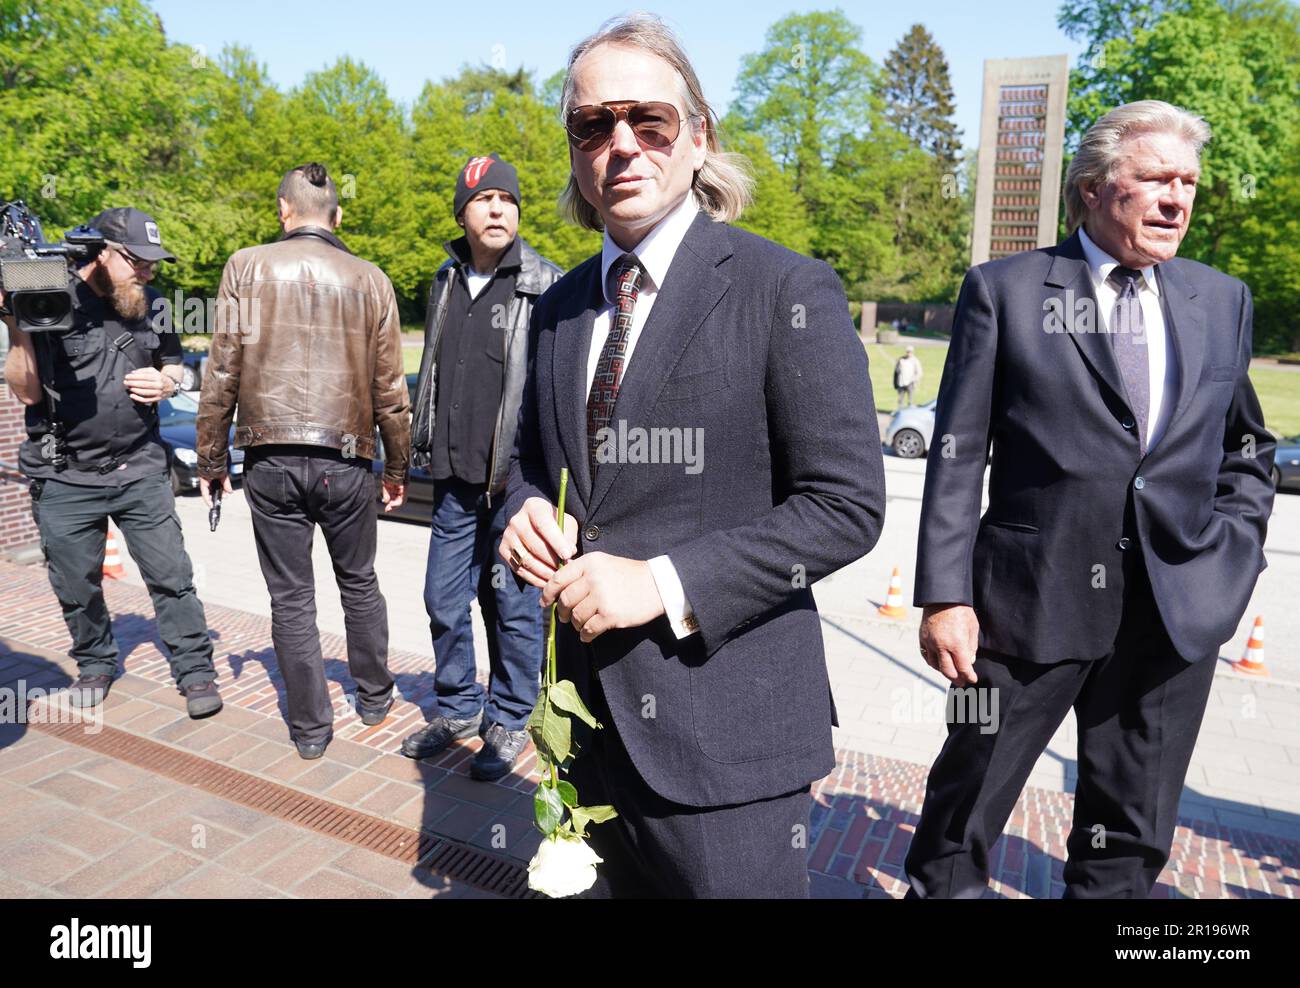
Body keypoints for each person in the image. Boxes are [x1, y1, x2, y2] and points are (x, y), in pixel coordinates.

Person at [498, 14, 885, 897]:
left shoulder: (785, 289)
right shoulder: (556, 307)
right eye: (593, 125)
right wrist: (518, 512)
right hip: (585, 736)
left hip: (728, 749)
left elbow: (847, 505)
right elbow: (527, 462)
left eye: (650, 121)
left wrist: (662, 583)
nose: (621, 145)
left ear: (699, 136)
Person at [905, 100, 1275, 898]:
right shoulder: (1002, 289)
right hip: (1020, 609)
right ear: (1094, 190)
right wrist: (942, 596)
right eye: (1153, 180)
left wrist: (1233, 553)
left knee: (1131, 835)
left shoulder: (1222, 300)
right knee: (962, 807)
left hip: (1174, 618)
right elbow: (959, 451)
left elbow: (1247, 446)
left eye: (1188, 183)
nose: (1176, 198)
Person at [195, 163, 410, 760]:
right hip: (345, 460)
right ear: (337, 217)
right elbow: (392, 390)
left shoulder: (246, 265)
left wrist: (210, 457)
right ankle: (373, 696)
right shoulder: (372, 280)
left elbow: (221, 371)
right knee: (360, 582)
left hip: (269, 457)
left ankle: (311, 730)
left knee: (292, 598)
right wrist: (396, 470)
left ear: (282, 211)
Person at [3, 207, 222, 717]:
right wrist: (17, 327)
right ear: (98, 253)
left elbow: (174, 363)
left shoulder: (155, 303)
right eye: (136, 260)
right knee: (76, 584)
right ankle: (96, 663)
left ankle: (194, 671)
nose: (148, 271)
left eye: (153, 262)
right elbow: (27, 391)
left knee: (172, 576)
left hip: (140, 466)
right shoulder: (44, 291)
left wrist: (169, 381)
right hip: (65, 473)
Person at [401, 154, 563, 781]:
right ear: (462, 213)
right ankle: (459, 708)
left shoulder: (545, 285)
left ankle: (512, 716)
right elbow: (435, 377)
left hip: (517, 488)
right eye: (484, 199)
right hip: (453, 481)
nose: (498, 209)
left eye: (508, 200)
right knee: (442, 599)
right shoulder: (444, 281)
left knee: (517, 611)